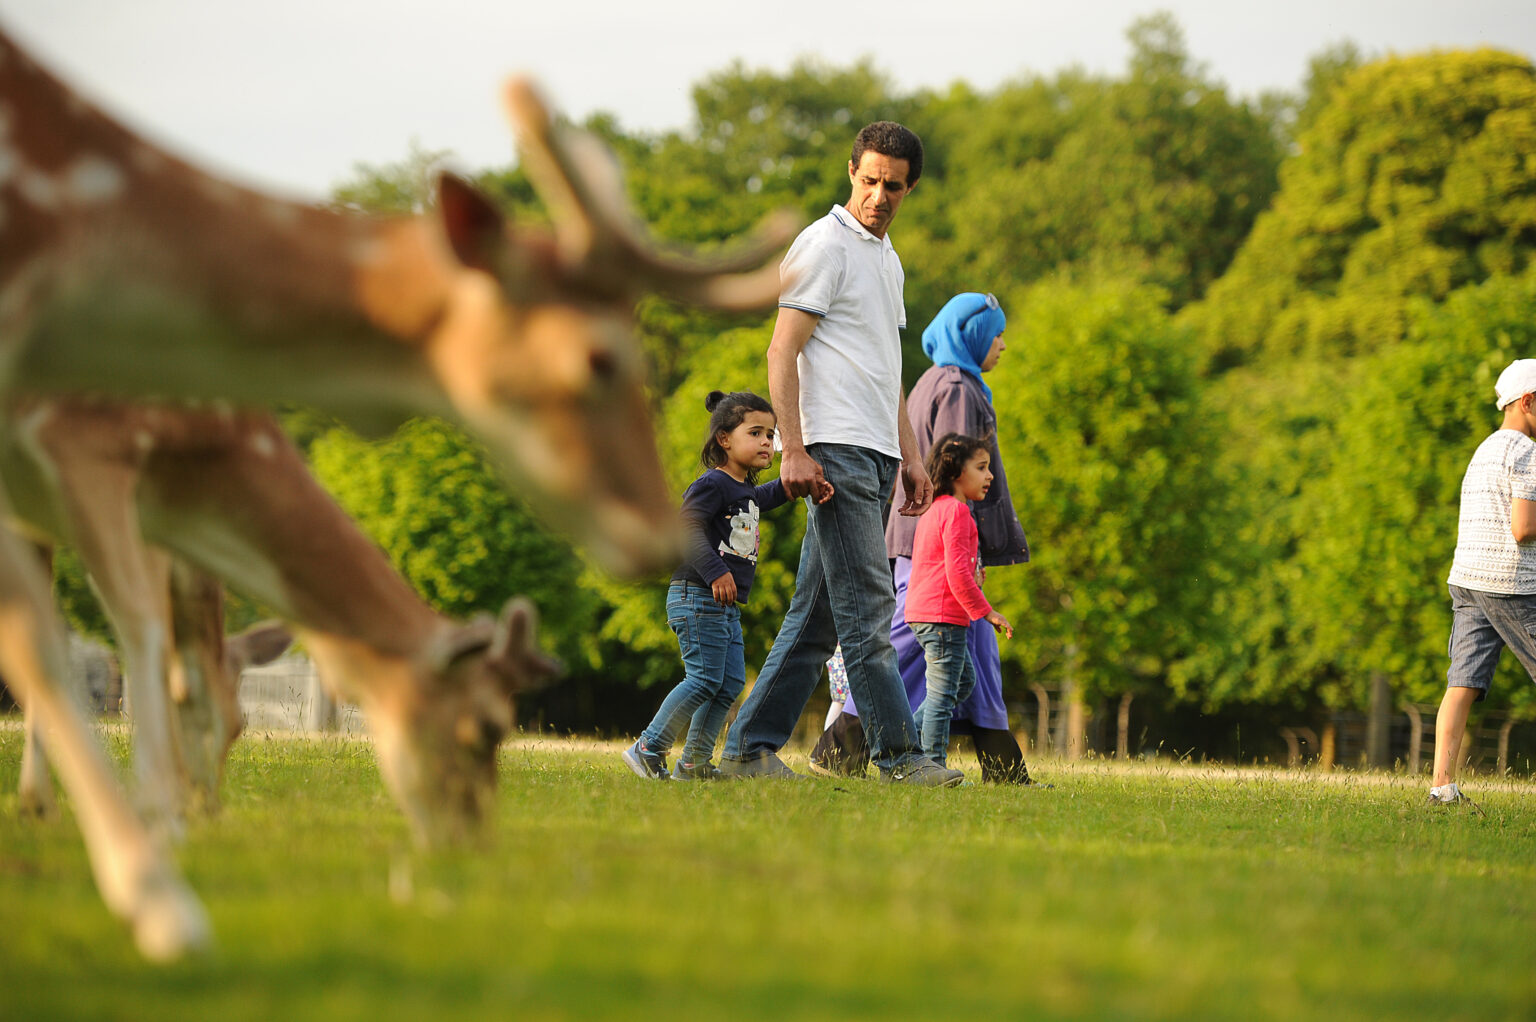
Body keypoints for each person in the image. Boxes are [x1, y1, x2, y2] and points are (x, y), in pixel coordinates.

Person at [718, 120, 965, 787]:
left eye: (895, 186)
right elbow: (781, 349)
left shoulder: (886, 260)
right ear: (850, 170)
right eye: (870, 180)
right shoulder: (824, 244)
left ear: (911, 188)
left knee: (818, 618)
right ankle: (900, 757)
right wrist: (792, 449)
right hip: (833, 452)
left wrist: (911, 457)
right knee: (869, 611)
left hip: (877, 453)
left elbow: (883, 371)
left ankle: (746, 750)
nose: (880, 196)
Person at [812, 292, 1035, 783]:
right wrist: (962, 551)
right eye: (995, 334)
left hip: (938, 542)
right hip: (935, 547)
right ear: (972, 334)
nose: (1002, 345)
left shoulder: (951, 381)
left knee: (975, 655)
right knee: (912, 640)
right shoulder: (956, 388)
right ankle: (839, 749)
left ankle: (1004, 772)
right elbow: (956, 469)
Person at [623, 390, 803, 781]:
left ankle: (694, 764)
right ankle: (648, 747)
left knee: (729, 684)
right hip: (697, 594)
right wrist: (716, 572)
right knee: (704, 678)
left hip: (722, 604)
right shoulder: (713, 484)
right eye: (755, 433)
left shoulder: (741, 491)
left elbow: (761, 498)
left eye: (770, 435)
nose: (766, 442)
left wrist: (793, 485)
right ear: (724, 439)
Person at [1433, 358, 1536, 808]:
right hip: (1510, 583)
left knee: (1462, 683)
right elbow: (1523, 528)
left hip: (1468, 578)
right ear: (1529, 402)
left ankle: (1442, 786)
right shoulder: (1528, 453)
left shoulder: (1486, 449)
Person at [906, 433, 1013, 763]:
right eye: (981, 468)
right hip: (941, 617)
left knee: (962, 681)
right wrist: (987, 612)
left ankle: (905, 742)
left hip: (928, 614)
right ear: (956, 471)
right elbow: (956, 573)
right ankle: (932, 765)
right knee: (942, 694)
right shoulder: (955, 512)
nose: (990, 476)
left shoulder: (938, 509)